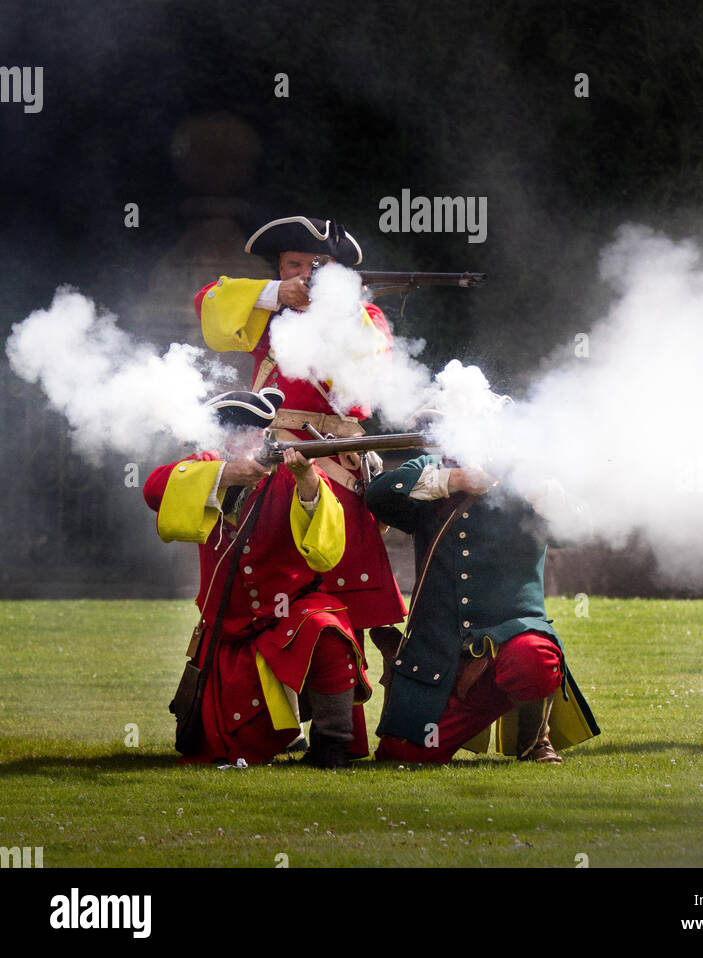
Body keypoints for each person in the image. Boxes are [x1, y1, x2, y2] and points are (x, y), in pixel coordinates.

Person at [193, 215, 406, 754]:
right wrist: (274, 293)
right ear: (280, 272)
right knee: (267, 591)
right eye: (294, 266)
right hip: (275, 461)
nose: (305, 276)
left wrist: (339, 306)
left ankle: (343, 738)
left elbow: (372, 364)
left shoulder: (365, 317)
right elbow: (208, 306)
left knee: (342, 599)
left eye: (318, 268)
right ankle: (261, 719)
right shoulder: (266, 310)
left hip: (339, 462)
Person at [143, 387, 371, 768]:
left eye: (256, 431)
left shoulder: (289, 469)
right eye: (237, 430)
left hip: (290, 613)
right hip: (229, 630)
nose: (249, 439)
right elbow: (154, 489)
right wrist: (228, 474)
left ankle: (332, 746)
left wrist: (307, 480)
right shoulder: (205, 467)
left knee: (327, 629)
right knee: (225, 747)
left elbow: (326, 546)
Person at [366, 449, 600, 764]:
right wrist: (455, 479)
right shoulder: (433, 474)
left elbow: (581, 528)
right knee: (403, 755)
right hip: (442, 658)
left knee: (534, 657)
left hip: (512, 650)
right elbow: (378, 496)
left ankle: (534, 743)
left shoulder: (528, 474)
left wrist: (540, 488)